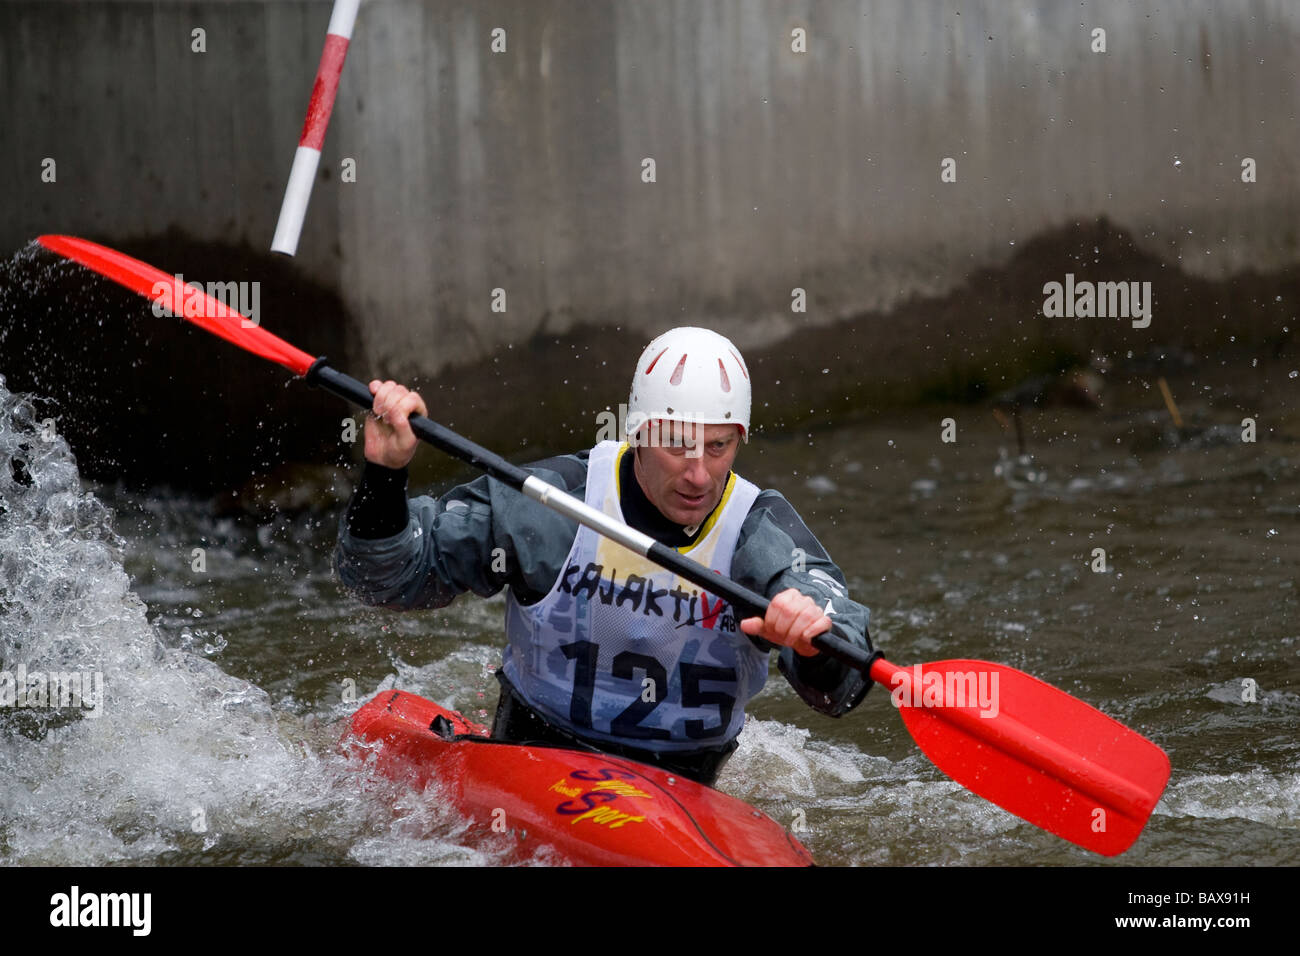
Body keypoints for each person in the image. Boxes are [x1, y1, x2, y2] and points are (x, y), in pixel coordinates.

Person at [335, 327, 878, 786]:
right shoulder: (551, 504)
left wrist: (813, 641)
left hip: (685, 792)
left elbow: (841, 686)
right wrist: (385, 475)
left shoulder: (759, 532)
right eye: (677, 445)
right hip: (533, 763)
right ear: (638, 433)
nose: (698, 474)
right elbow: (384, 577)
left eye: (718, 447)